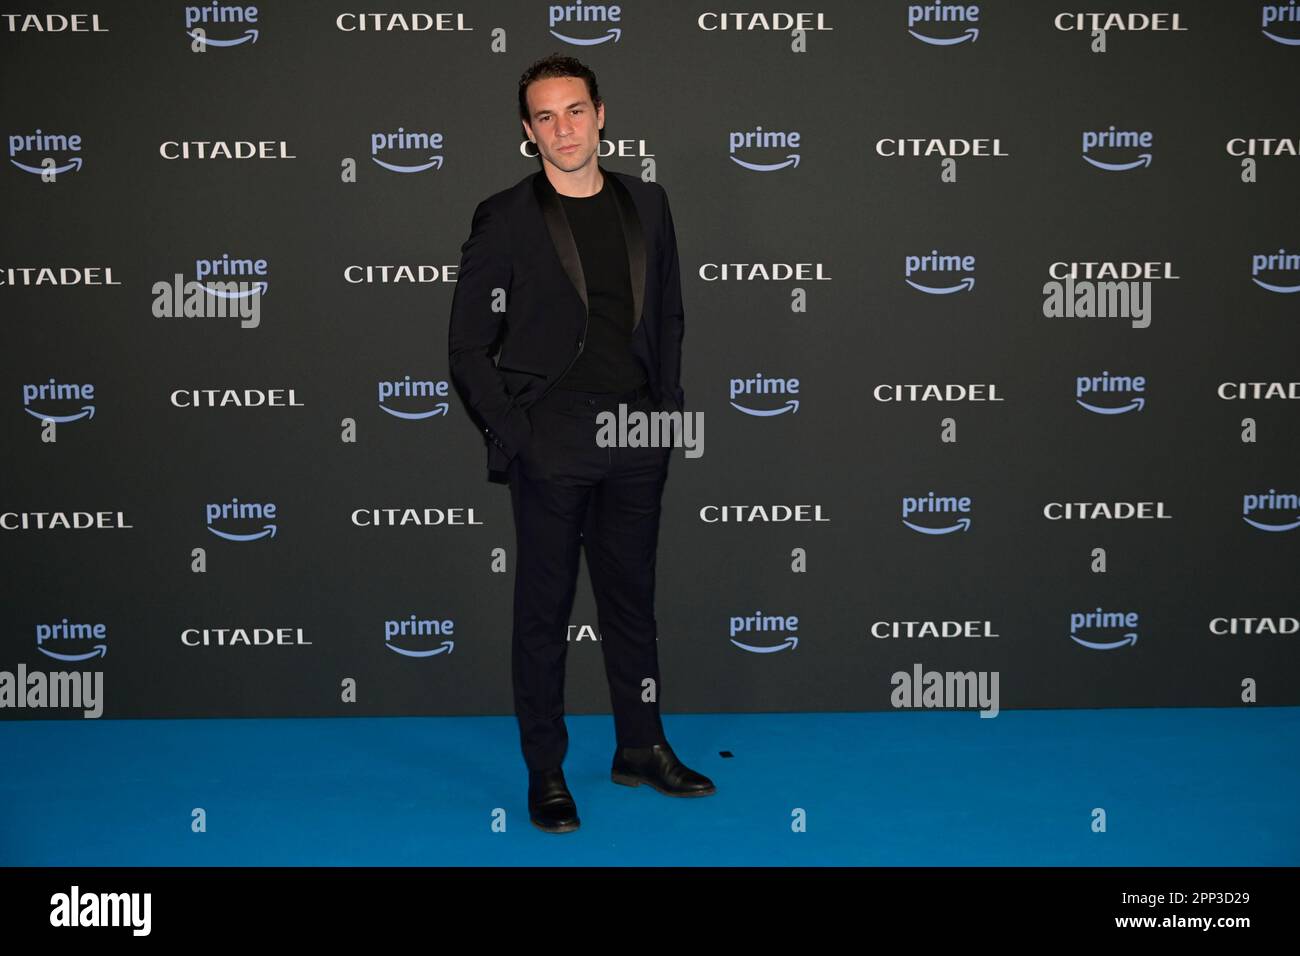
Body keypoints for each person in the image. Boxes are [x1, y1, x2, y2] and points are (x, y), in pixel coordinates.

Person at [448, 53, 716, 833]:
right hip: (553, 436)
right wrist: (521, 436)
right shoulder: (505, 217)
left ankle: (641, 746)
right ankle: (546, 770)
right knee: (544, 609)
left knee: (633, 605)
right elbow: (468, 347)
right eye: (544, 116)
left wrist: (665, 415)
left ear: (601, 114)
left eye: (574, 110)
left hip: (638, 431)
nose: (562, 128)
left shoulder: (650, 203)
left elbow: (668, 316)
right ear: (526, 133)